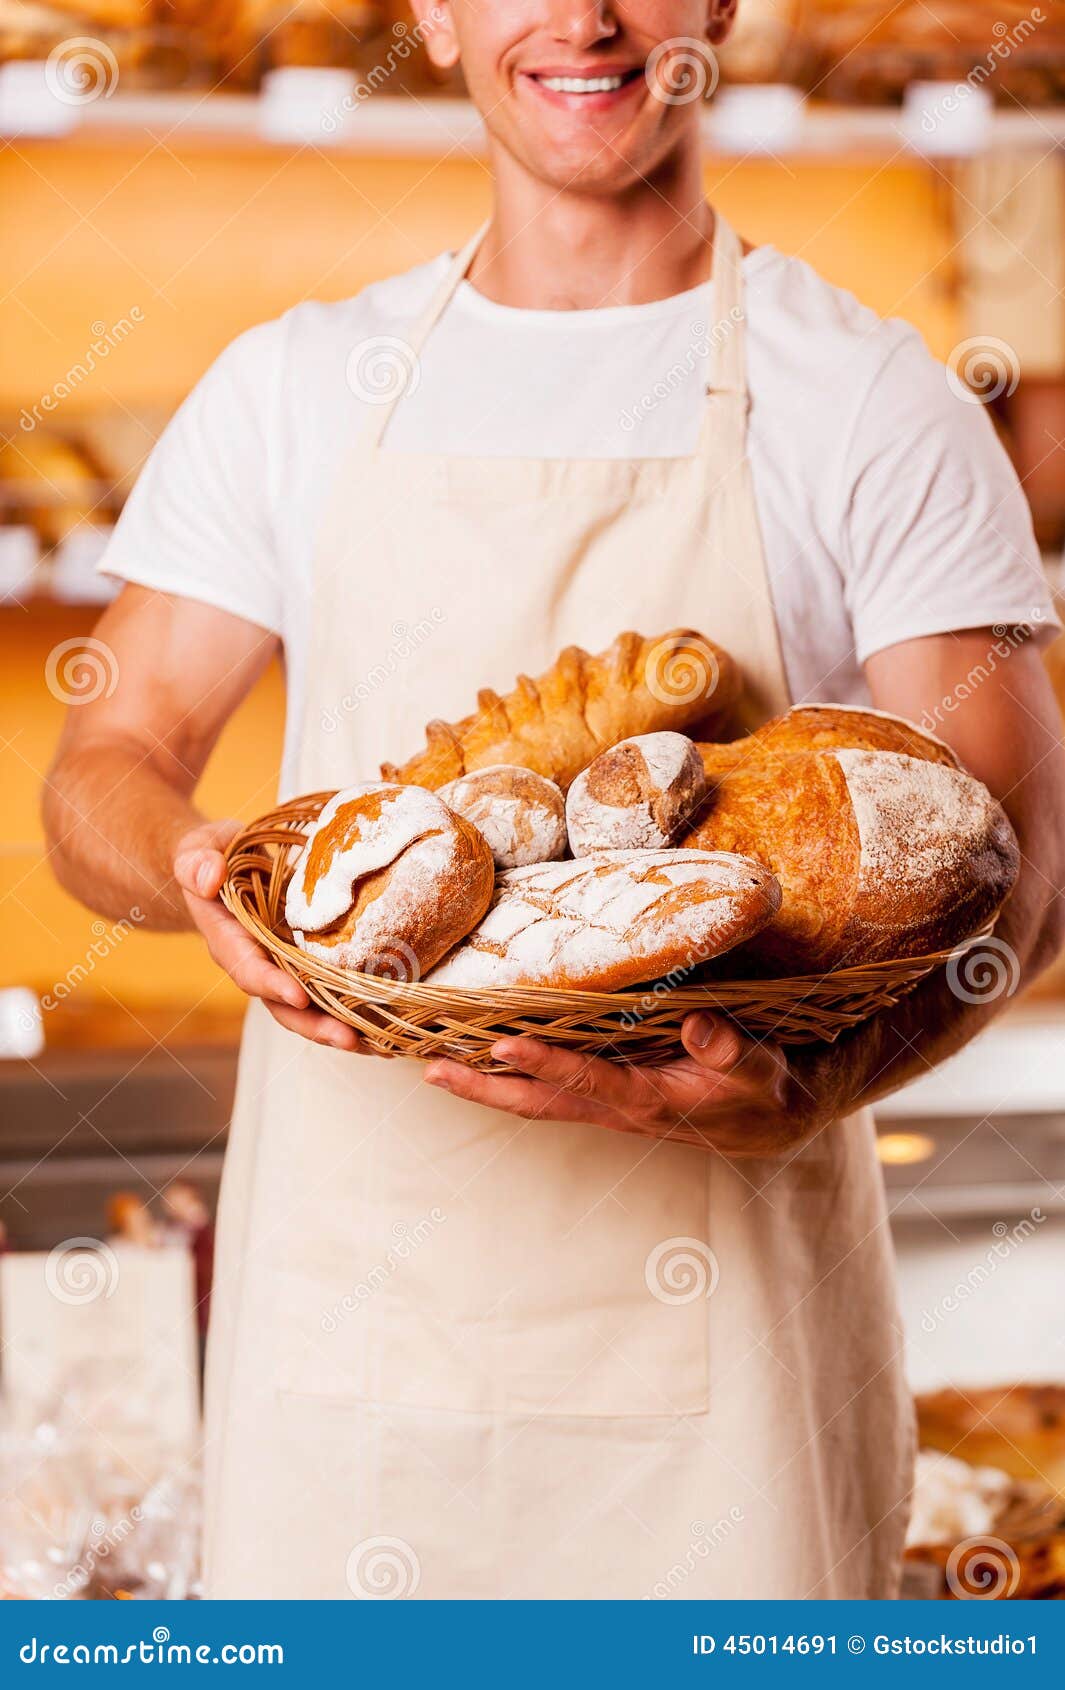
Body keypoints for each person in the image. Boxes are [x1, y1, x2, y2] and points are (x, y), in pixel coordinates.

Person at [43, 1, 1065, 1599]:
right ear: (436, 18)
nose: (584, 19)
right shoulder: (298, 389)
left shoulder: (874, 401)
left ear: (721, 8)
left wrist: (822, 1078)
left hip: (731, 1374)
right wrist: (199, 868)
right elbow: (103, 763)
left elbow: (1021, 859)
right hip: (354, 1362)